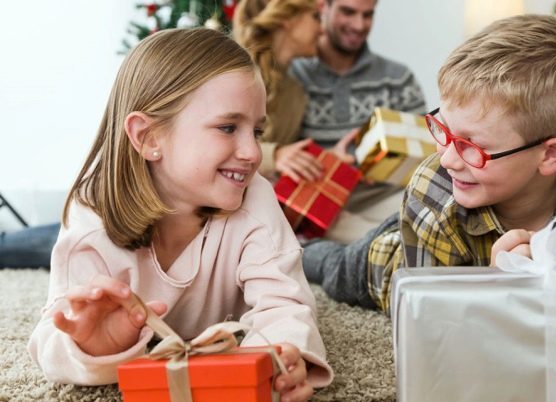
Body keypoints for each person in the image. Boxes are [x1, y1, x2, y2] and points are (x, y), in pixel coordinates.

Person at [27, 28, 332, 400]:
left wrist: (283, 354)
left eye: (257, 130)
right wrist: (96, 347)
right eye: (227, 127)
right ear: (149, 137)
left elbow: (286, 304)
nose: (253, 153)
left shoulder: (255, 200)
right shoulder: (92, 214)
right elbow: (53, 341)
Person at [303, 14, 556, 312]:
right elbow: (428, 325)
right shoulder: (433, 189)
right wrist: (492, 287)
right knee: (329, 265)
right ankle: (301, 248)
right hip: (395, 258)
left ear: (550, 154)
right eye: (445, 131)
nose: (448, 157)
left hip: (450, 223)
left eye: (472, 146)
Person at [288, 0, 428, 244]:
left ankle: (380, 242)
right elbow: (276, 155)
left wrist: (386, 165)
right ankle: (384, 242)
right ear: (324, 7)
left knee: (426, 212)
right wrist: (331, 165)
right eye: (348, 12)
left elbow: (426, 156)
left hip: (383, 199)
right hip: (324, 204)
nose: (359, 25)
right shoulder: (294, 75)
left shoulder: (398, 79)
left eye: (368, 15)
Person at [233, 0, 338, 183]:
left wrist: (330, 161)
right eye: (316, 17)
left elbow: (287, 163)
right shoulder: (233, 77)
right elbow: (206, 142)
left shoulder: (295, 93)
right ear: (288, 19)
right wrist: (274, 156)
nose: (322, 30)